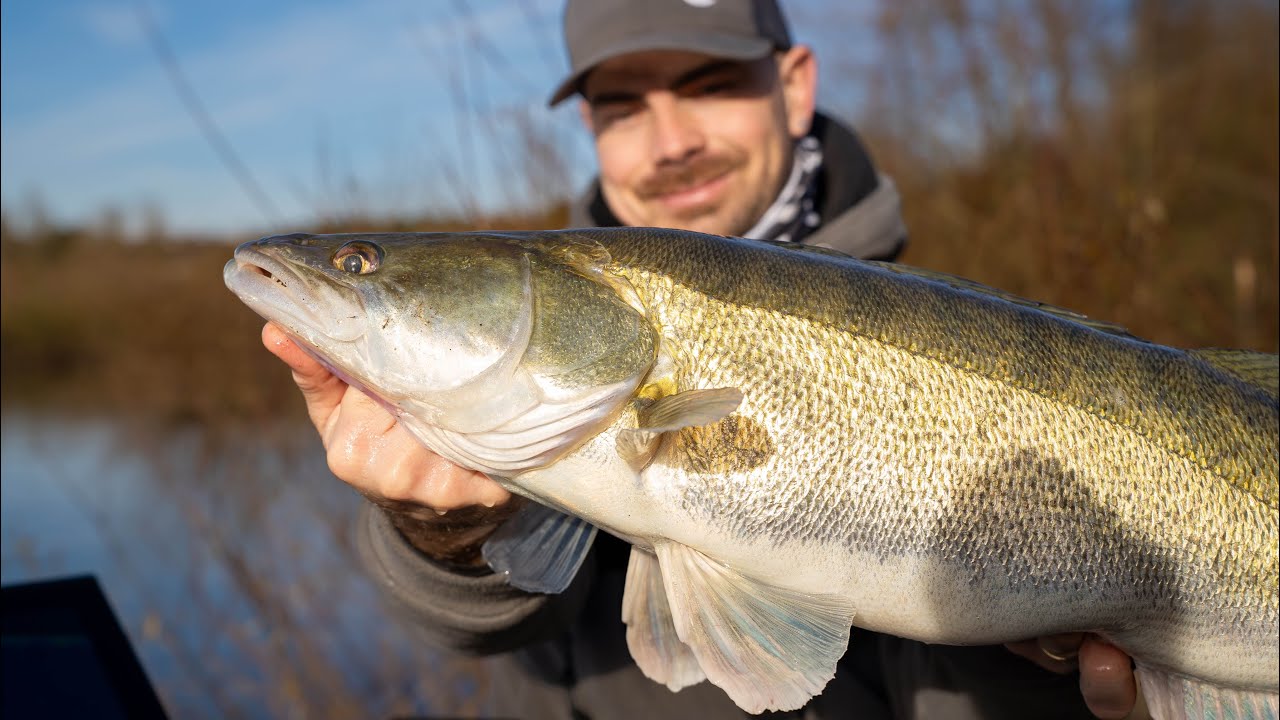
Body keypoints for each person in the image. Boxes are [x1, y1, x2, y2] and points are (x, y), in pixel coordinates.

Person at [262, 1, 1139, 717]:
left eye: (711, 84)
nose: (671, 139)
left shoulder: (993, 334)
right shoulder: (554, 385)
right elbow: (501, 619)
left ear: (794, 87)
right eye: (623, 105)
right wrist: (443, 529)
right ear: (590, 128)